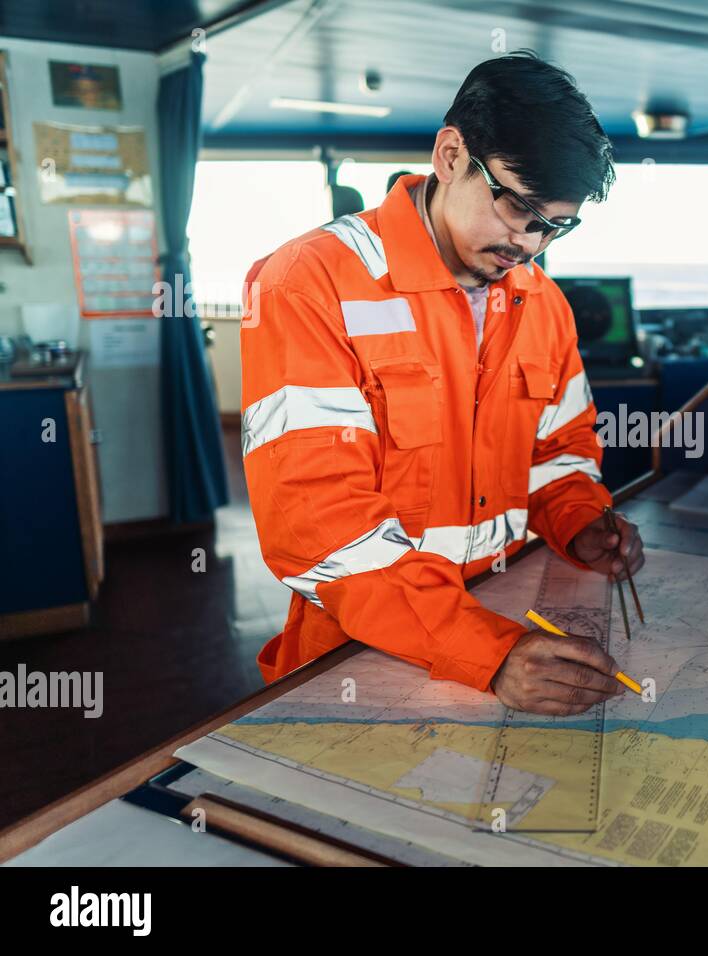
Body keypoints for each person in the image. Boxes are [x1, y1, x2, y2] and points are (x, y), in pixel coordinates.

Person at [239, 51, 644, 716]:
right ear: (451, 155)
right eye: (517, 207)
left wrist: (578, 520)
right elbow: (323, 529)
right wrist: (486, 650)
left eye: (554, 224)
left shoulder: (541, 302)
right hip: (360, 656)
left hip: (509, 626)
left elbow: (557, 456)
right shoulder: (307, 283)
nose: (530, 243)